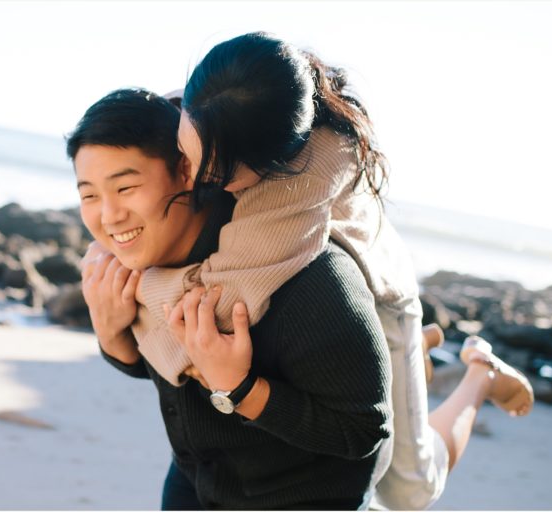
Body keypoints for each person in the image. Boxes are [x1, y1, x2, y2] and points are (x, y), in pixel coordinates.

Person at [123, 32, 535, 510]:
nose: (189, 176)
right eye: (184, 146)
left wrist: (136, 285)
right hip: (330, 310)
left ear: (269, 166)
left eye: (214, 173)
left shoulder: (299, 183)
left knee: (409, 492)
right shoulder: (221, 100)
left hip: (379, 300)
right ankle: (413, 362)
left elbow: (218, 304)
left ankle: (479, 375)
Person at [68, 88, 393, 510]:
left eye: (126, 188)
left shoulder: (304, 279)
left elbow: (363, 429)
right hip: (196, 482)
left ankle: (472, 380)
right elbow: (172, 367)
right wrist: (111, 332)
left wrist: (241, 388)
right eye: (89, 195)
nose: (109, 217)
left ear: (186, 169)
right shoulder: (135, 265)